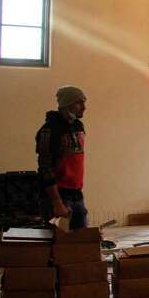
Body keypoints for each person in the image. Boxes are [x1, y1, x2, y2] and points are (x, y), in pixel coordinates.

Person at [36, 86, 89, 230]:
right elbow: (45, 169)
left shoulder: (78, 126)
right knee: (59, 244)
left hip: (76, 193)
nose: (84, 107)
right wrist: (57, 203)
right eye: (79, 103)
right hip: (58, 196)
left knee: (82, 242)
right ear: (67, 105)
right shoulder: (49, 131)